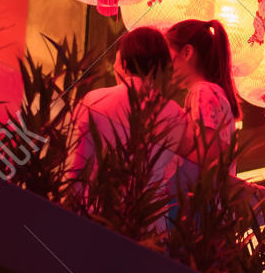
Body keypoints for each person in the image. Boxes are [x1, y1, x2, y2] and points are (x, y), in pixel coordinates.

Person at [67, 27, 188, 231]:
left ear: (123, 64)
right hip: (150, 225)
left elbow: (77, 170)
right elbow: (172, 173)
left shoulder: (94, 100)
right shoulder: (177, 116)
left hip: (96, 214)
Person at [166, 19, 239, 170]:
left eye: (169, 58)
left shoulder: (202, 91)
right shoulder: (213, 92)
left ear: (187, 53)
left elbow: (210, 148)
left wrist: (174, 176)